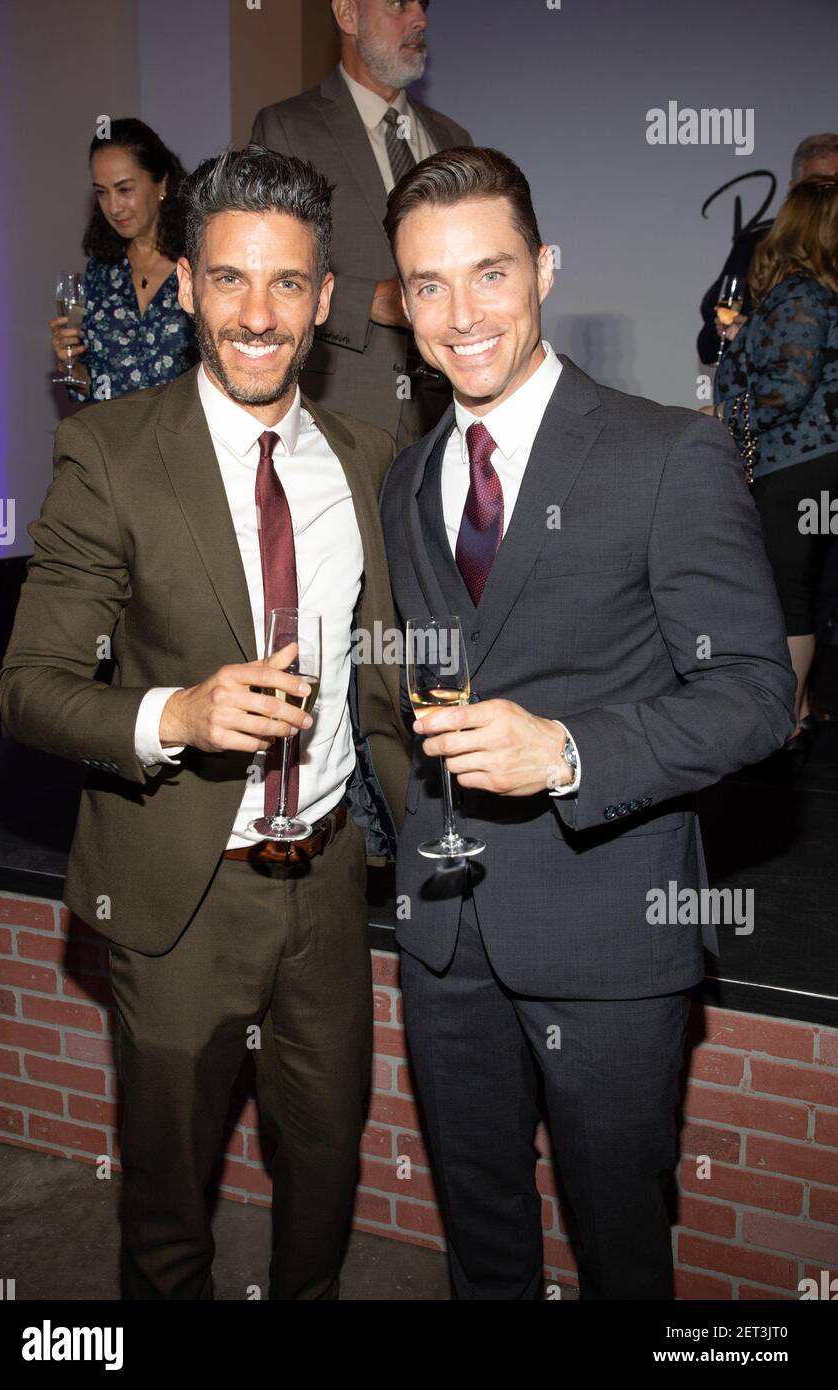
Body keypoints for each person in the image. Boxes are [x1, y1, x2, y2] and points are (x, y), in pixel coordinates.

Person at [379, 146, 796, 1300]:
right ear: (399, 300)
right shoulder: (406, 482)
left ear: (545, 270)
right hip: (443, 934)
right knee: (482, 1237)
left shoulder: (668, 452)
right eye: (425, 285)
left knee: (619, 1247)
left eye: (489, 273)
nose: (459, 316)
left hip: (609, 932)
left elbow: (758, 694)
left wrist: (565, 751)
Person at [0, 145, 410, 1300]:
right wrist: (176, 711)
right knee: (170, 1204)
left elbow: (395, 677)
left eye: (286, 284)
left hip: (329, 887)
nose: (256, 314)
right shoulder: (110, 455)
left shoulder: (370, 461)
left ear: (325, 301)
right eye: (228, 279)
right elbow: (30, 686)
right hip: (180, 891)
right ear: (184, 284)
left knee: (323, 1175)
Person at [251, 0, 471, 447]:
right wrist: (371, 300)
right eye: (398, 4)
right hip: (342, 413)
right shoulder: (287, 128)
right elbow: (268, 272)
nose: (420, 19)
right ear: (347, 14)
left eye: (422, 5)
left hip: (451, 416)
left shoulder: (454, 139)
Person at [714, 176, 838, 758]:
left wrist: (723, 413)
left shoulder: (803, 295)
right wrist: (743, 338)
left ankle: (785, 718)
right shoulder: (801, 294)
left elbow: (787, 389)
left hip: (798, 463)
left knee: (788, 594)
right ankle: (799, 709)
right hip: (802, 464)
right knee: (797, 593)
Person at [50, 118, 199, 402]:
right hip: (114, 441)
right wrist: (72, 366)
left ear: (162, 183)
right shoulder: (101, 272)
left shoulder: (198, 263)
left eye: (125, 189)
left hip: (185, 441)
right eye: (102, 193)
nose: (114, 207)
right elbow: (95, 389)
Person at [698, 132, 838, 364]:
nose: (829, 198)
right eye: (817, 189)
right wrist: (753, 333)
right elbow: (711, 346)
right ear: (794, 192)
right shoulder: (760, 248)